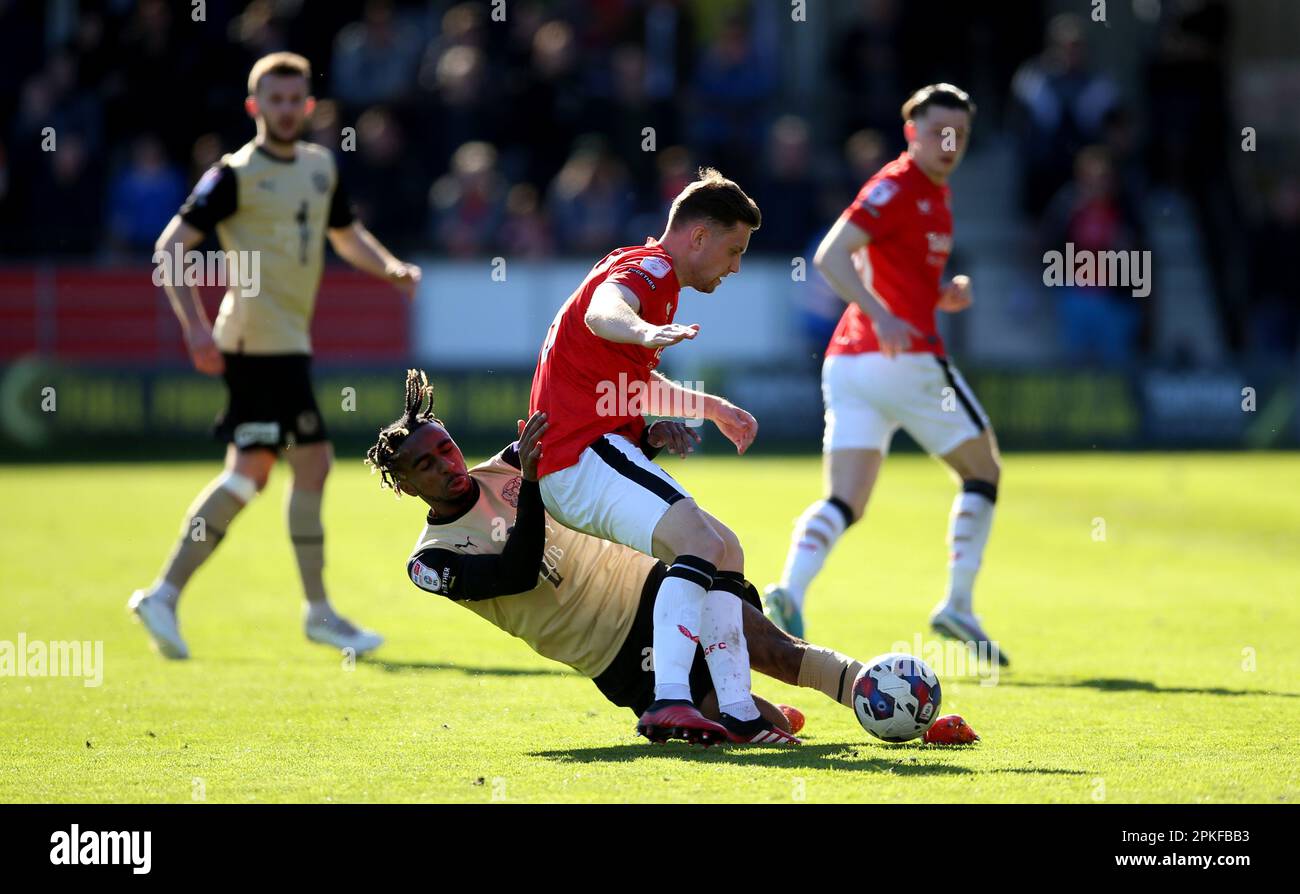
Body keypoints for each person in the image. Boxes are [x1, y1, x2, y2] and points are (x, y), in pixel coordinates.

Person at [366, 370, 892, 744]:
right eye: (425, 465)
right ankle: (758, 713)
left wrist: (646, 435)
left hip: (658, 584)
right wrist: (528, 482)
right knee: (752, 728)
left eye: (445, 448)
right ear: (407, 485)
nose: (445, 464)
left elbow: (583, 449)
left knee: (777, 650)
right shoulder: (429, 563)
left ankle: (886, 700)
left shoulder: (503, 466)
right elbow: (518, 572)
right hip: (614, 653)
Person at [128, 52, 422, 660]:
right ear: (254, 107)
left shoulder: (318, 167)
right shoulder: (234, 174)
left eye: (295, 100)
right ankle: (169, 593)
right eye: (275, 100)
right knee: (257, 473)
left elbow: (345, 234)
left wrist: (389, 266)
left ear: (307, 108)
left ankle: (303, 610)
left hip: (287, 345)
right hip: (254, 346)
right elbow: (171, 249)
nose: (286, 110)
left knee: (296, 469)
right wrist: (196, 329)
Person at [765, 84, 1009, 667]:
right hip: (900, 360)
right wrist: (885, 316)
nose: (948, 144)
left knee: (845, 499)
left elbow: (893, 271)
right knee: (984, 471)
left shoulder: (931, 193)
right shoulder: (897, 186)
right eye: (937, 132)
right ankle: (958, 603)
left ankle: (790, 590)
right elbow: (830, 255)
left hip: (850, 365)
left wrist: (938, 295)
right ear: (911, 134)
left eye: (959, 134)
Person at [528, 168, 772, 744]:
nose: (735, 266)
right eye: (733, 250)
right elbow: (603, 313)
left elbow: (608, 380)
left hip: (586, 453)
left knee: (725, 550)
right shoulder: (650, 271)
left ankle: (735, 709)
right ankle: (670, 700)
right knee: (702, 545)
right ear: (698, 238)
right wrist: (641, 330)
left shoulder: (645, 269)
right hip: (578, 456)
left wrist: (688, 415)